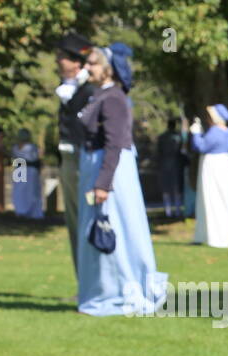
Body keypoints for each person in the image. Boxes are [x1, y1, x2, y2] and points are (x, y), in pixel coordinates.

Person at [75, 43, 167, 316]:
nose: (87, 67)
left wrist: (103, 183)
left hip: (110, 171)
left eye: (92, 63)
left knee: (114, 229)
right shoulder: (100, 95)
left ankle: (122, 293)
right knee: (101, 230)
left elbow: (115, 144)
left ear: (108, 68)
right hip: (99, 166)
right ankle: (103, 292)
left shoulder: (113, 97)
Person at [55, 32, 96, 273]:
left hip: (83, 159)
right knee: (74, 222)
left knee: (87, 220)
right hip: (68, 159)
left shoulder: (90, 90)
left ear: (76, 62)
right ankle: (84, 281)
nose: (57, 61)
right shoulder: (66, 89)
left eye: (61, 57)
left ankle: (94, 282)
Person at [189, 104, 228, 248]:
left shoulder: (216, 131)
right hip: (224, 164)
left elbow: (201, 147)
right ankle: (220, 234)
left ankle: (216, 236)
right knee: (224, 200)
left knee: (212, 200)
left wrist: (196, 134)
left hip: (213, 166)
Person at [10, 129, 44, 219]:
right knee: (28, 191)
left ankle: (23, 210)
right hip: (27, 170)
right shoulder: (31, 147)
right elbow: (36, 159)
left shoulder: (16, 147)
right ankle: (25, 211)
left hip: (22, 169)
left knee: (22, 191)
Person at [156, 118, 184, 217]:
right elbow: (180, 151)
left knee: (166, 188)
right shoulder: (178, 137)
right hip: (175, 164)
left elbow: (158, 153)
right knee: (176, 188)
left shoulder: (162, 137)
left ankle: (168, 211)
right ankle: (177, 210)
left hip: (165, 165)